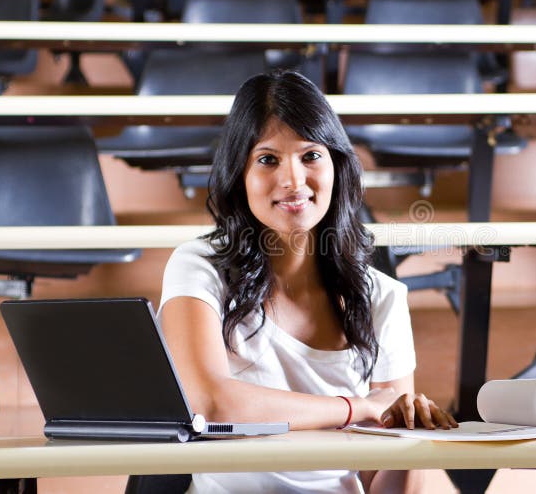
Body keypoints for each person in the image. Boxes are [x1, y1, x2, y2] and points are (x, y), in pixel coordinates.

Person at [159, 70, 457, 494]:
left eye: (310, 155)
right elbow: (209, 404)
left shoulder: (382, 297)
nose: (294, 180)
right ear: (238, 174)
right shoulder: (198, 267)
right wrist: (356, 407)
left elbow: (381, 483)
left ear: (336, 163)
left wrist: (408, 438)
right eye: (268, 159)